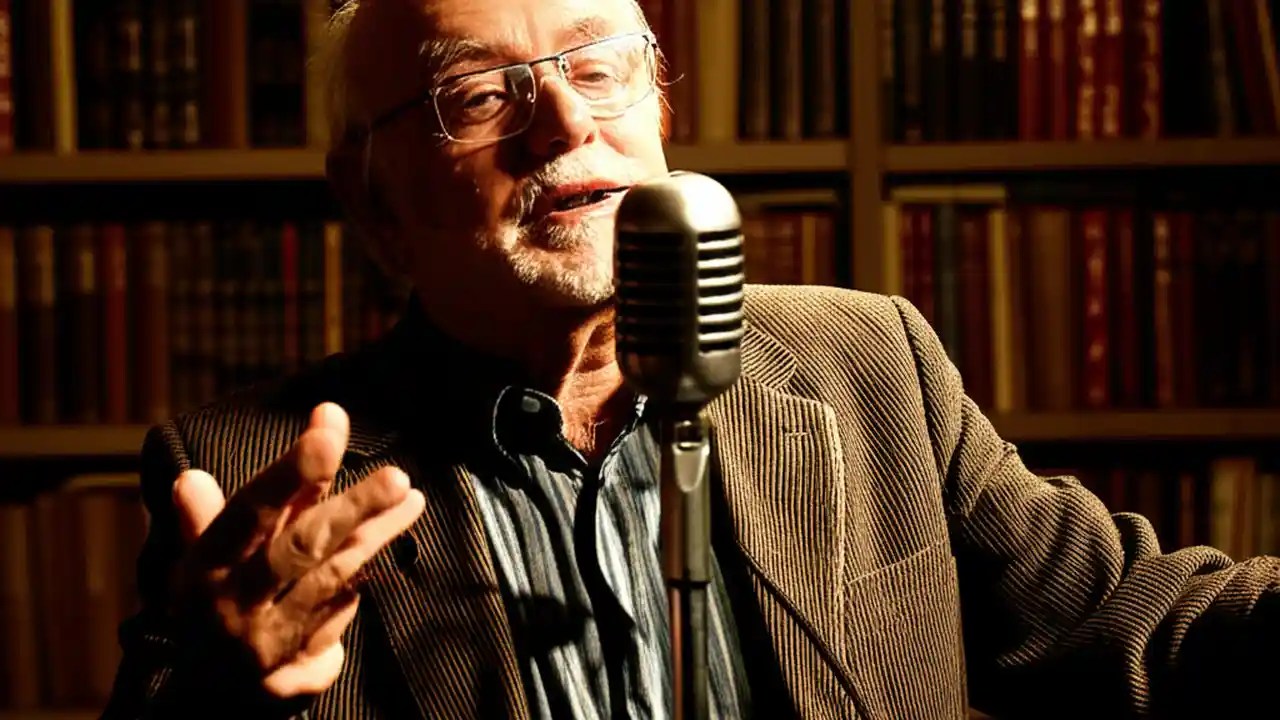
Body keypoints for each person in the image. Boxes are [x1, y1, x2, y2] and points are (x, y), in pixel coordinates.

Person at [103, 0, 1280, 718]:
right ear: (371, 203)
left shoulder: (868, 364)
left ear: (655, 103)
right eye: (472, 94)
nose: (564, 125)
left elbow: (1138, 623)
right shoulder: (242, 468)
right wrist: (219, 703)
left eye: (596, 66)